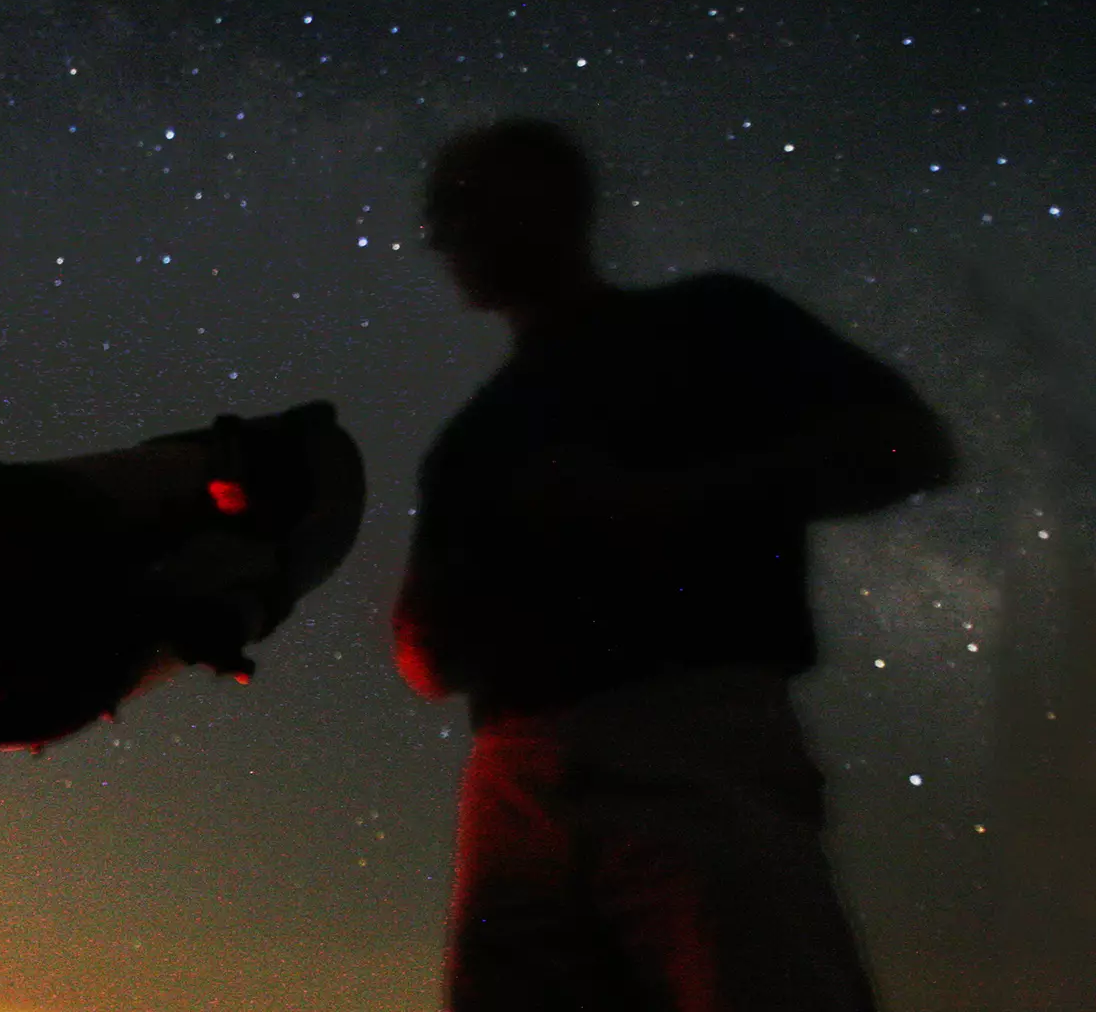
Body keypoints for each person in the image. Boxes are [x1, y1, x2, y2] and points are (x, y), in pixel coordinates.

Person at [393, 119, 956, 1012]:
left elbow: (911, 446)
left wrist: (670, 500)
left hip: (687, 738)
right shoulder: (472, 441)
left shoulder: (713, 325)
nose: (441, 233)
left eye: (461, 205)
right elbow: (425, 655)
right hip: (519, 776)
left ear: (548, 203)